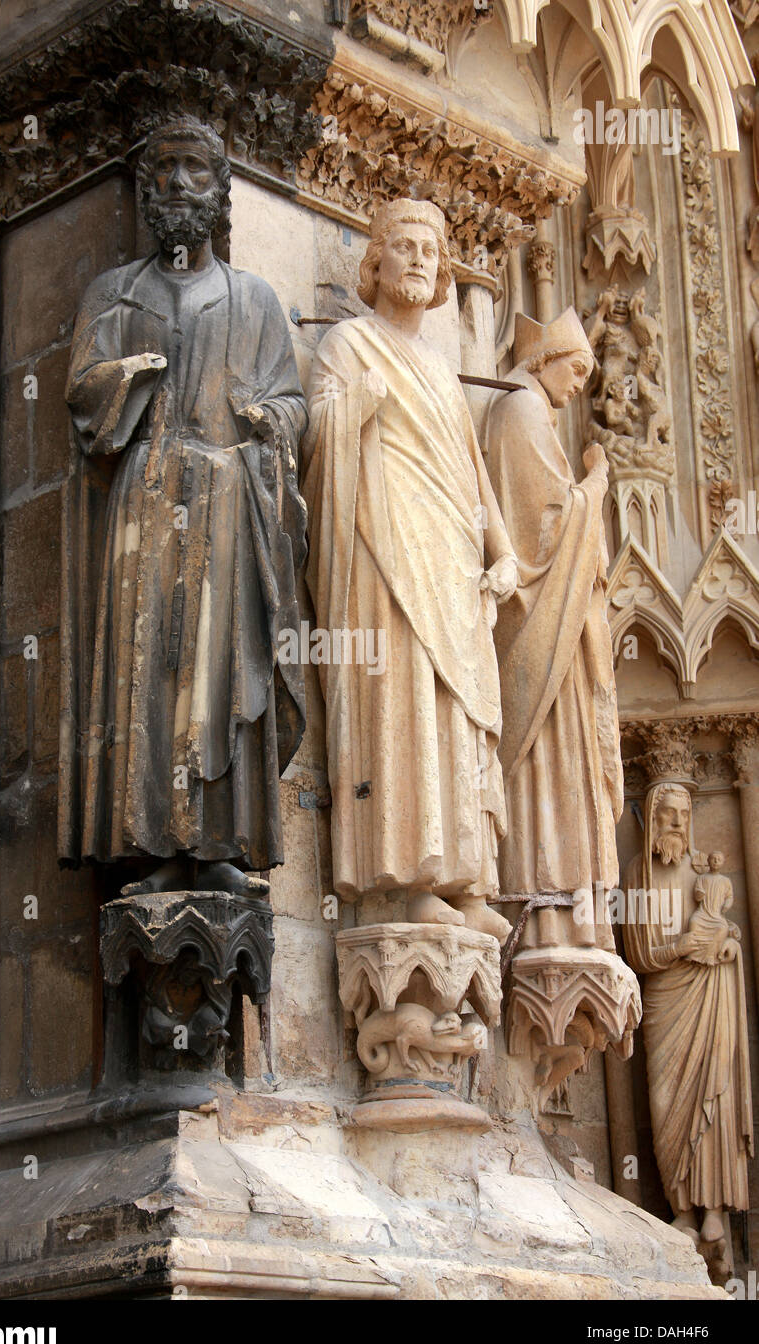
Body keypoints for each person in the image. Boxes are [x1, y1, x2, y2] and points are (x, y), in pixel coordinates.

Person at [60, 116, 307, 895]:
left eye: (194, 172)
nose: (175, 186)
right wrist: (126, 376)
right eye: (161, 172)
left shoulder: (254, 299)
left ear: (221, 193)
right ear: (144, 192)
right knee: (152, 674)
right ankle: (155, 841)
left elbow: (292, 402)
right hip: (147, 507)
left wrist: (270, 423)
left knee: (221, 670)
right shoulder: (116, 292)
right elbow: (82, 399)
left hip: (232, 506)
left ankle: (224, 843)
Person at [303, 198, 517, 934]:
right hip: (384, 556)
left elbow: (471, 468)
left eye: (431, 247)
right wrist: (356, 405)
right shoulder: (349, 346)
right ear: (375, 265)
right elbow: (319, 443)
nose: (420, 258)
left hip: (453, 563)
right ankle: (408, 878)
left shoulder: (440, 366)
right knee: (403, 705)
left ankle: (470, 881)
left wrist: (502, 551)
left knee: (455, 713)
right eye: (404, 246)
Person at [484, 309, 623, 951]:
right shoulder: (520, 411)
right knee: (551, 751)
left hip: (557, 626)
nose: (578, 386)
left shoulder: (533, 412)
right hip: (540, 625)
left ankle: (565, 910)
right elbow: (549, 527)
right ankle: (544, 908)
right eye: (575, 368)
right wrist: (595, 482)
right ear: (545, 359)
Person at [623, 784, 753, 1246]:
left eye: (683, 814)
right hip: (664, 997)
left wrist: (726, 947)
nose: (677, 822)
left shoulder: (706, 876)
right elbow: (636, 955)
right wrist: (680, 947)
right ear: (652, 820)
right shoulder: (638, 876)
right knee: (664, 1102)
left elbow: (728, 931)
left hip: (708, 993)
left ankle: (713, 1208)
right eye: (667, 814)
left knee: (712, 1093)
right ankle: (681, 1208)